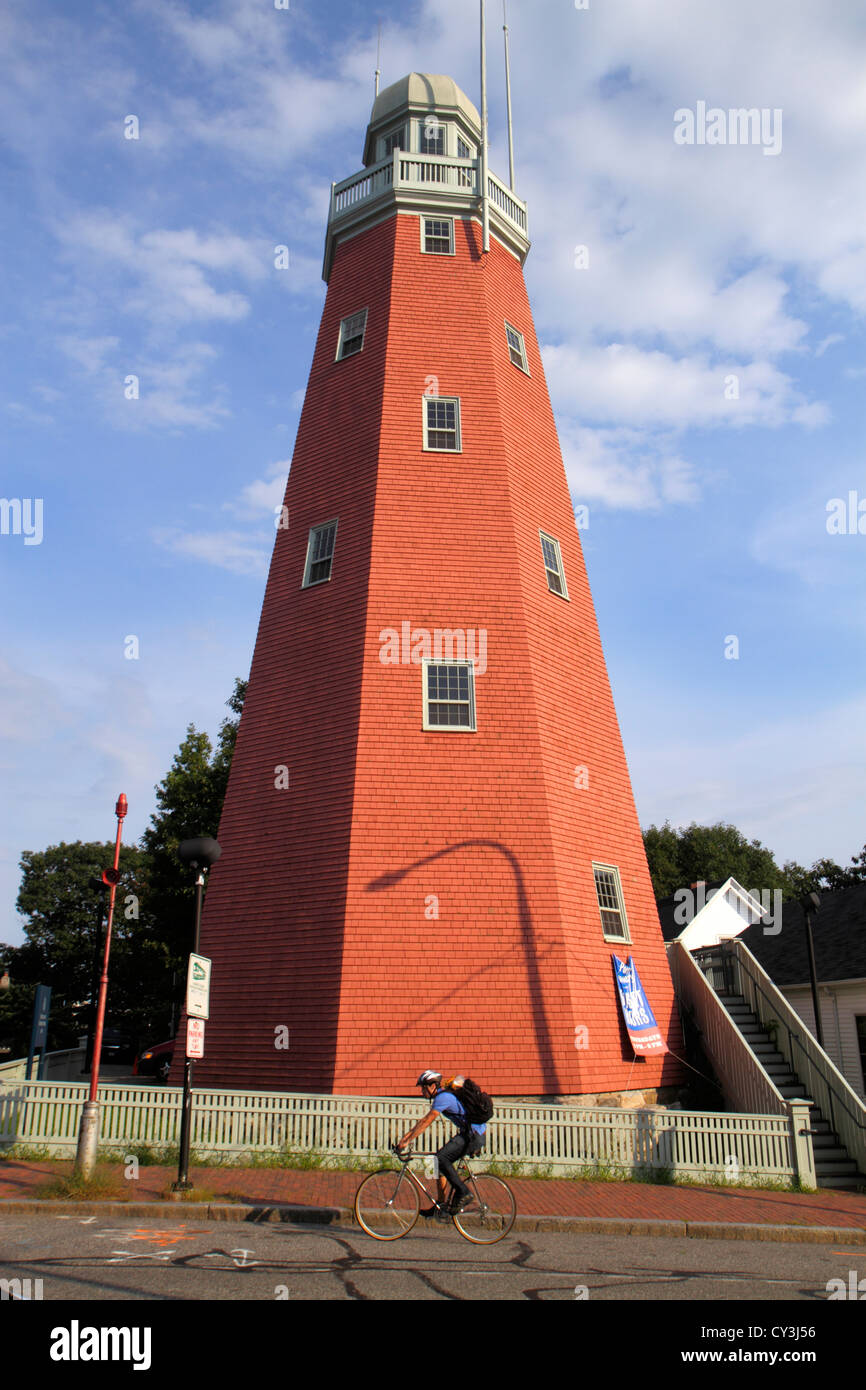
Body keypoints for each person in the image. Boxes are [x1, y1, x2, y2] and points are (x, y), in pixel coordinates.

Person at [395, 1069, 486, 1220]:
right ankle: (441, 1205)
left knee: (440, 1158)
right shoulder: (444, 1096)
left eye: (423, 1088)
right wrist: (407, 1137)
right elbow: (424, 1121)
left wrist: (406, 1140)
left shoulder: (443, 1098)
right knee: (437, 1162)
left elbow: (426, 1121)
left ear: (432, 1086)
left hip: (473, 1136)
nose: (422, 1091)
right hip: (470, 1133)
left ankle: (464, 1192)